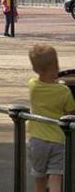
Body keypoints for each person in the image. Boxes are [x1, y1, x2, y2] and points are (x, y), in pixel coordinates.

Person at [28, 44, 75, 192]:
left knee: (39, 177)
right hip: (58, 139)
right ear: (56, 65)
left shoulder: (33, 86)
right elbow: (71, 111)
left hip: (37, 141)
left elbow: (39, 79)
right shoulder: (63, 91)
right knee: (56, 176)